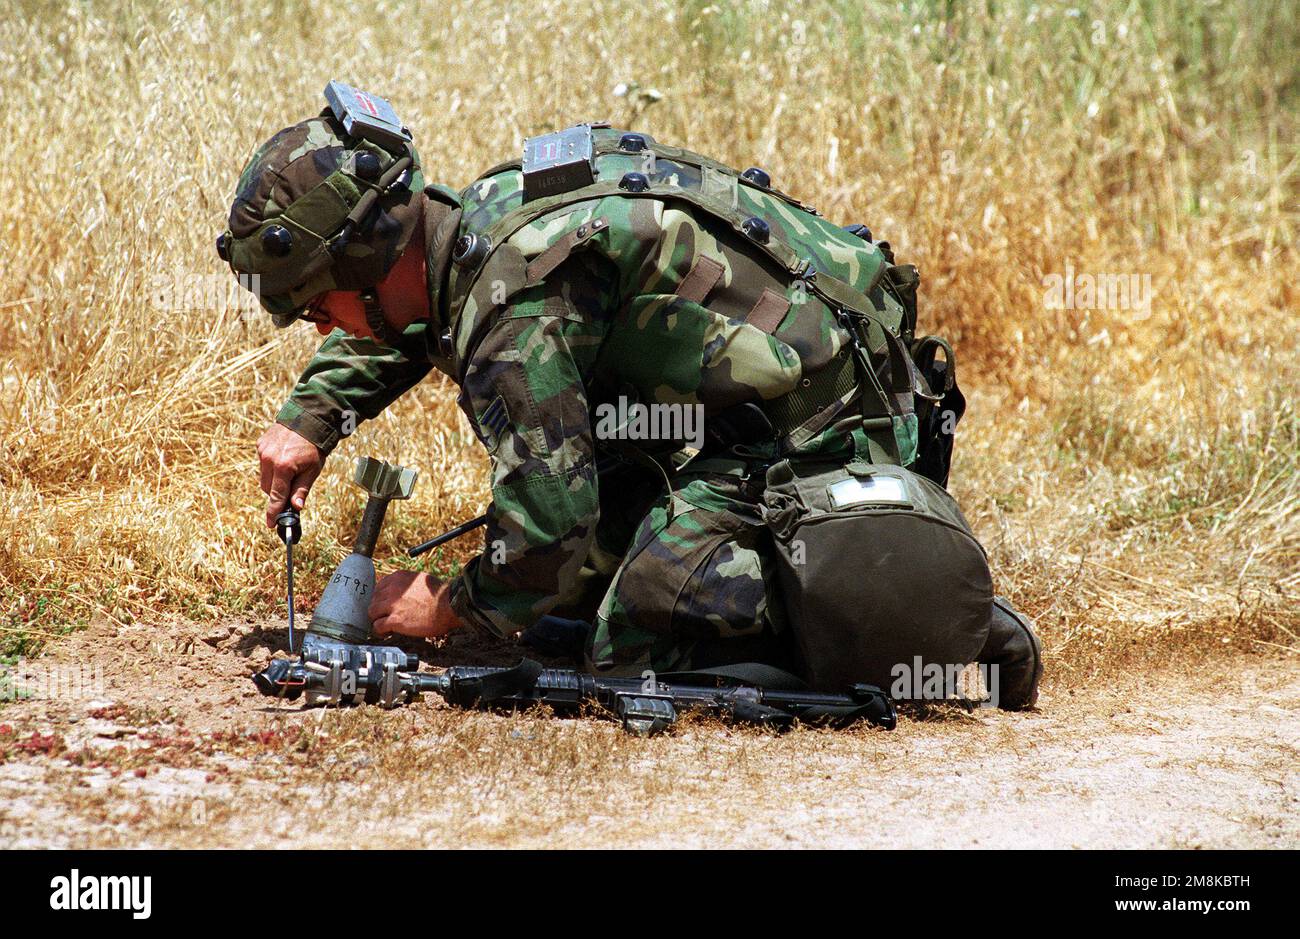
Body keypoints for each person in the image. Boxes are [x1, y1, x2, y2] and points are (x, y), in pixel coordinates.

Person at [222, 85, 1041, 708]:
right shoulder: (484, 222)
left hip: (828, 438)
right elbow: (416, 317)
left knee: (626, 636)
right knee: (572, 602)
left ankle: (927, 617)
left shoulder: (511, 312)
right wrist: (313, 416)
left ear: (365, 266)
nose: (324, 325)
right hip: (783, 400)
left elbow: (548, 529)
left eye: (319, 304)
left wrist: (445, 605)